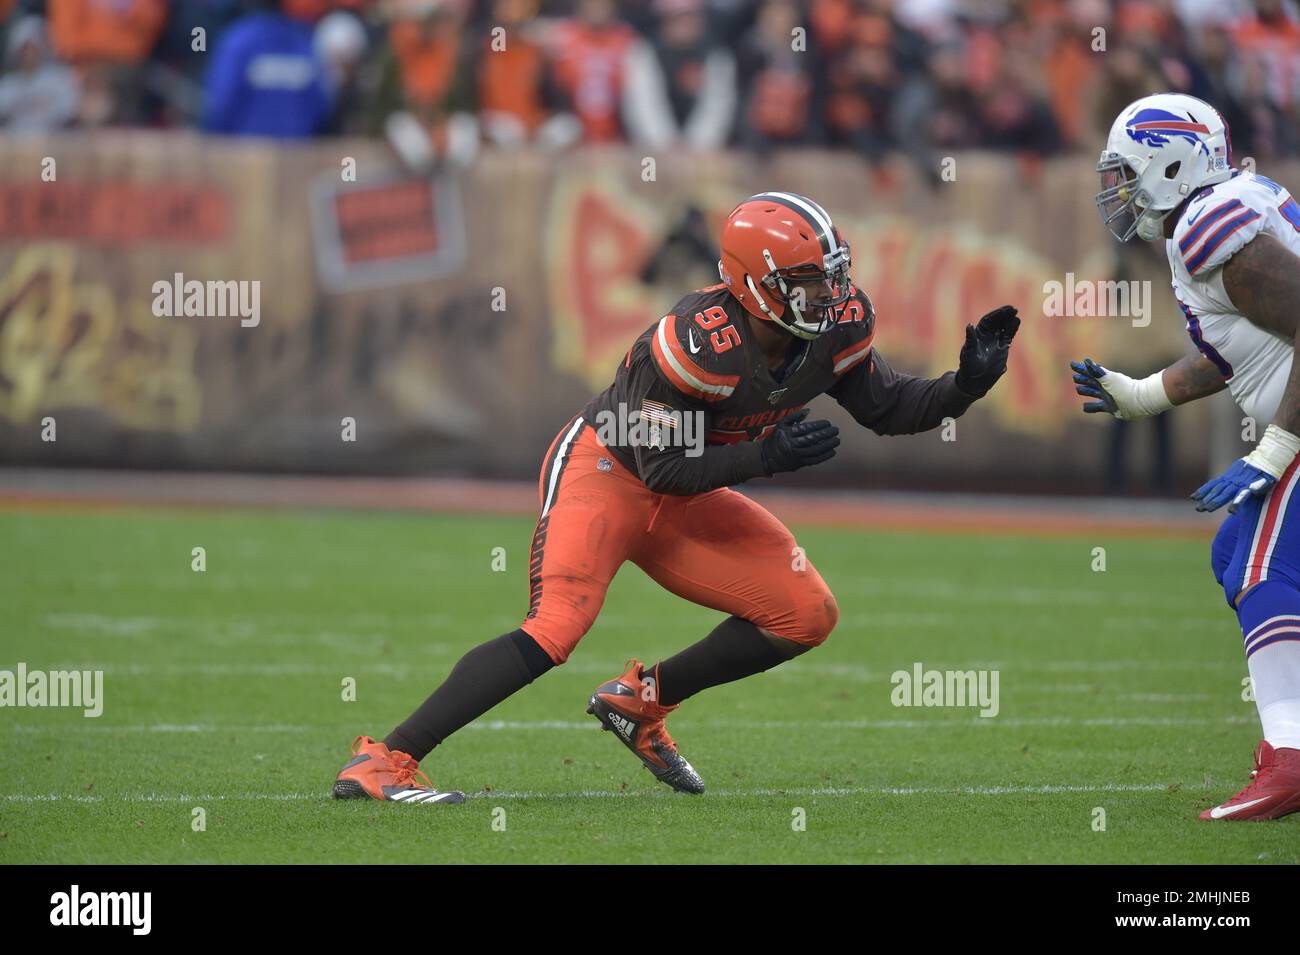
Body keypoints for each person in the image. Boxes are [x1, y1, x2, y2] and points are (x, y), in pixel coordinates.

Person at [333, 192, 1019, 803]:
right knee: (557, 626)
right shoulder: (697, 341)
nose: (829, 295)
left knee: (805, 612)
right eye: (809, 282)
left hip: (691, 484)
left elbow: (888, 406)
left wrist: (965, 385)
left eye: (832, 275)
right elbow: (659, 465)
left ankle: (641, 702)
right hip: (609, 471)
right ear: (756, 287)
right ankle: (383, 759)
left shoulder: (835, 328)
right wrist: (764, 457)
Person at [1073, 92, 1300, 820]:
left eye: (1128, 171)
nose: (1119, 190)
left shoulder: (1207, 223)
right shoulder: (1217, 215)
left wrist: (1276, 447)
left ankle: (1291, 758)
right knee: (1237, 552)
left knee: (1266, 567)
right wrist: (1143, 395)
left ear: (1174, 160)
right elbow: (1245, 347)